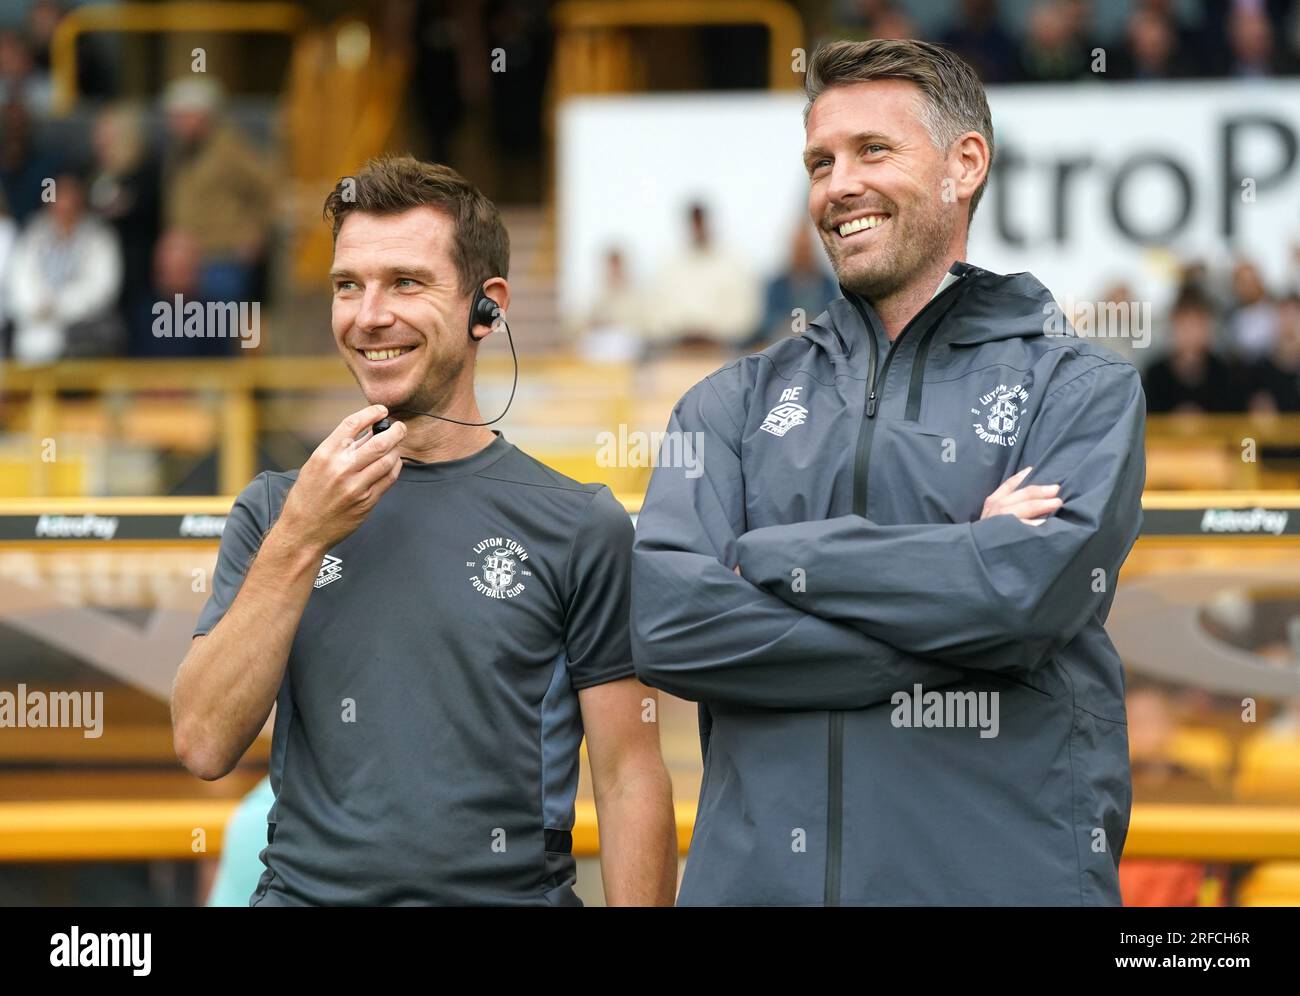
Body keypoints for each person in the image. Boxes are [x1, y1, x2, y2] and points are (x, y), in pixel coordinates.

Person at [632, 39, 1146, 906]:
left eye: (874, 151)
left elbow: (1025, 602)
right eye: (820, 162)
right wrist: (960, 569)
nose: (839, 186)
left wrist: (774, 558)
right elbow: (670, 626)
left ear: (964, 164)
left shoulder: (1080, 388)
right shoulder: (725, 405)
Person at [172, 155, 677, 907]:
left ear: (488, 307)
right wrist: (303, 536)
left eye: (406, 282)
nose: (369, 314)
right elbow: (204, 742)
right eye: (349, 286)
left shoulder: (579, 523)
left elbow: (631, 775)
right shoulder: (277, 511)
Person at [6, 170, 123, 362]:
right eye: (58, 196)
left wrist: (59, 307)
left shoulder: (99, 237)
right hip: (34, 326)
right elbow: (20, 277)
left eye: (69, 196)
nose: (63, 204)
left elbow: (102, 287)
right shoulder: (34, 233)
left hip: (83, 331)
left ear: (80, 199)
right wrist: (36, 305)